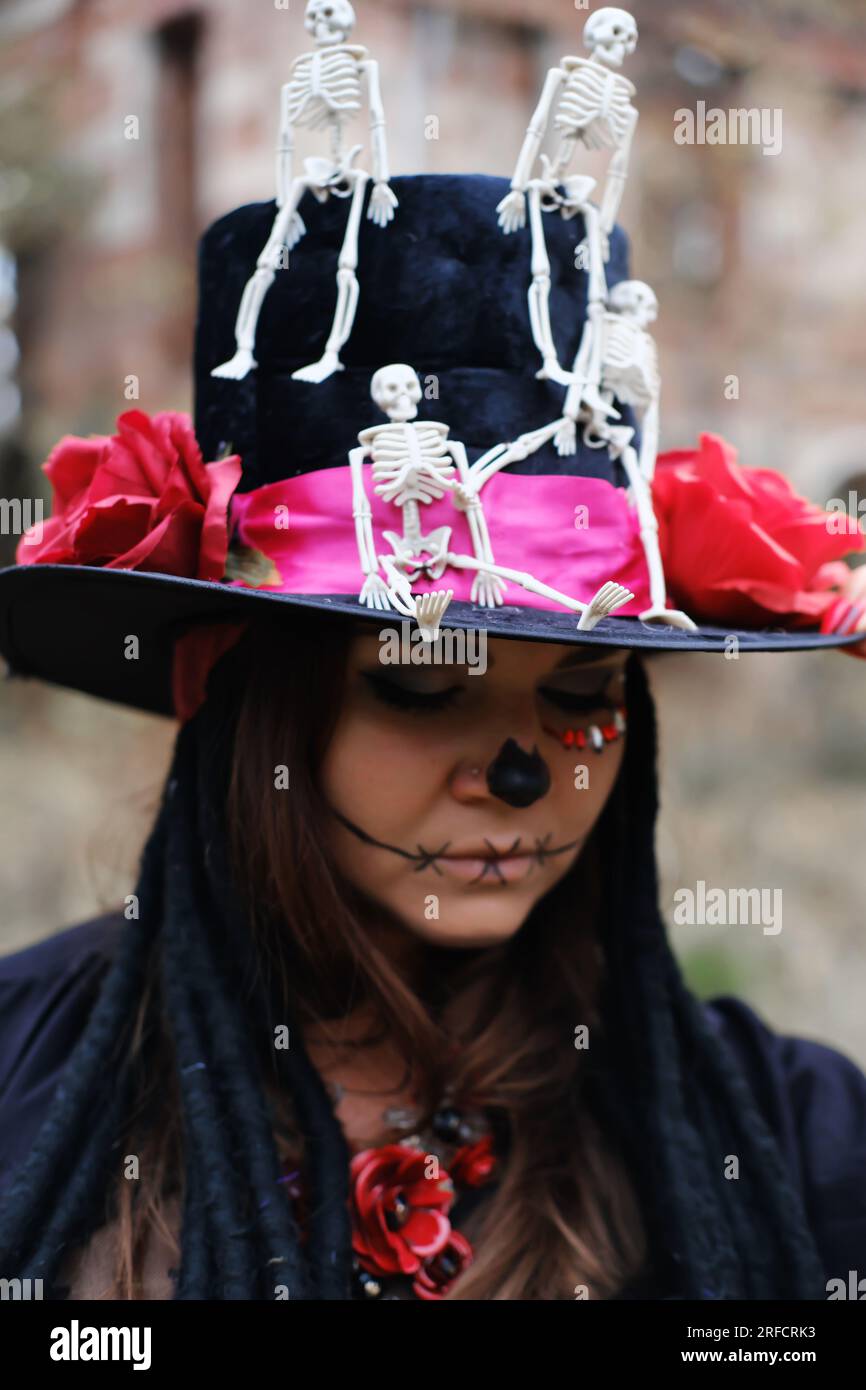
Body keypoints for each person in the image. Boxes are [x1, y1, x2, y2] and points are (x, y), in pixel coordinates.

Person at [0, 82, 865, 1297]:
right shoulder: (28, 1079)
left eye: (580, 695)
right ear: (253, 714)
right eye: (418, 688)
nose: (520, 774)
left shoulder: (790, 1135)